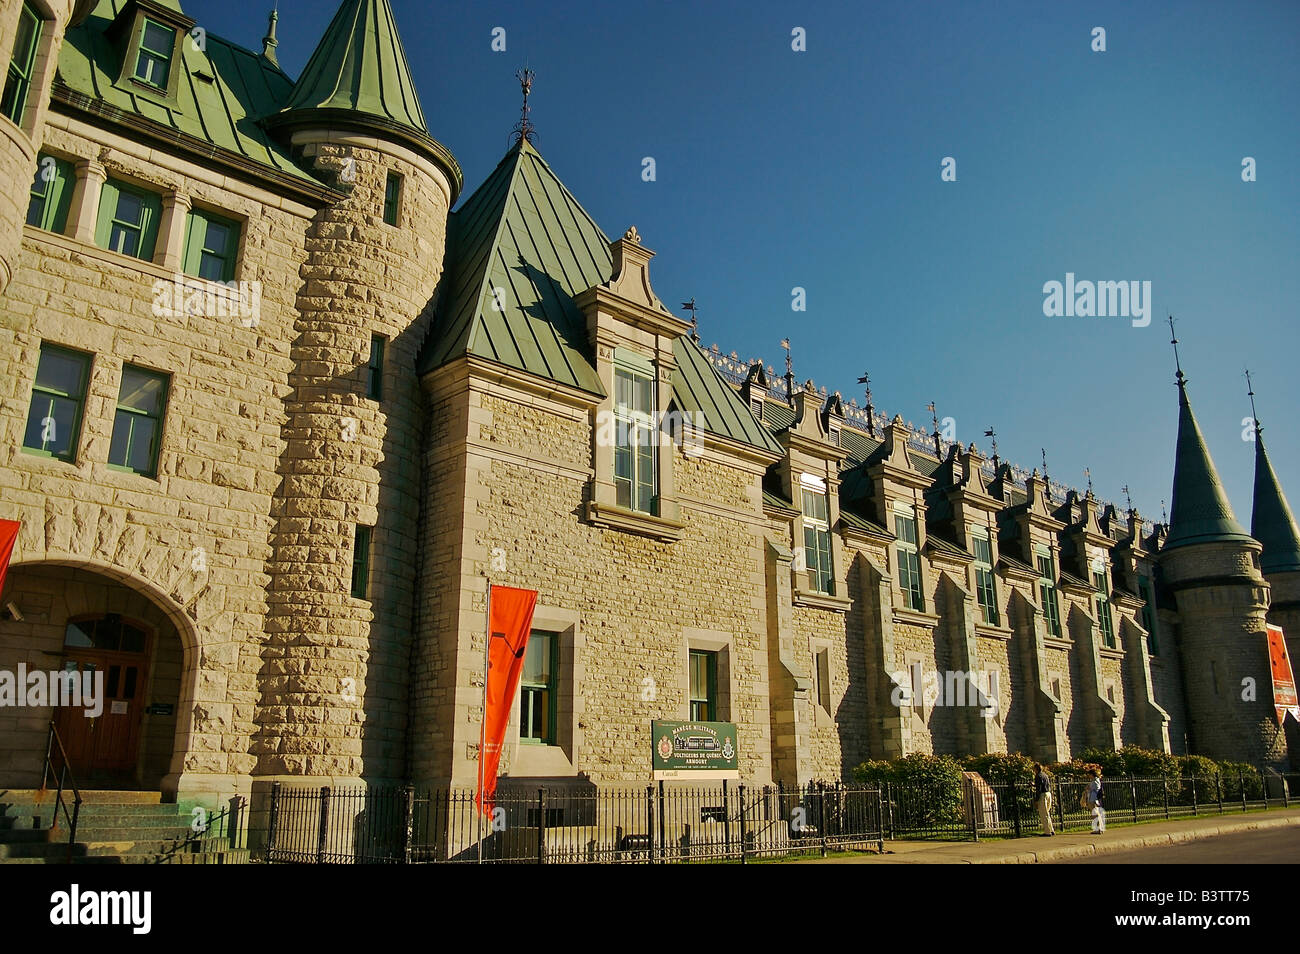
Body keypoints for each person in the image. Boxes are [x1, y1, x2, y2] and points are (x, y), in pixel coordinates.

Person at [1034, 763, 1054, 836]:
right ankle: (1051, 830)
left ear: (1036, 769)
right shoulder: (1045, 775)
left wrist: (1036, 800)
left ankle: (1047, 832)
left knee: (1043, 814)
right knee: (1047, 813)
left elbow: (1038, 789)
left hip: (1043, 795)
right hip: (1048, 793)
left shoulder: (1038, 776)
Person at [1085, 767, 1106, 832]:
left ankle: (1098, 828)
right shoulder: (1094, 781)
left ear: (1092, 774)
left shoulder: (1095, 781)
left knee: (1095, 814)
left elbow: (1096, 788)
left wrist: (1089, 788)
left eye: (1089, 774)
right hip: (1092, 798)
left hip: (1093, 799)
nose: (1088, 776)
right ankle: (1099, 828)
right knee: (1095, 813)